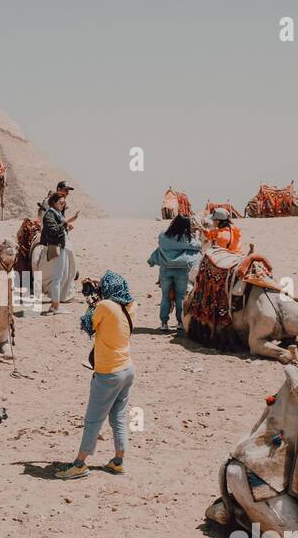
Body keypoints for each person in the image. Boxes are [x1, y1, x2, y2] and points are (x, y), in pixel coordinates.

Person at [57, 272, 136, 480]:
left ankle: (79, 464)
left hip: (108, 373)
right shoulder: (130, 306)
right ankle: (118, 461)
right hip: (127, 369)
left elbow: (87, 325)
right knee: (118, 417)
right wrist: (97, 295)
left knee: (93, 420)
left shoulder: (105, 306)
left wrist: (91, 300)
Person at [148, 216, 203, 332]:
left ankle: (164, 323)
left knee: (165, 297)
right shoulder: (185, 239)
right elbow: (198, 245)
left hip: (165, 270)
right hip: (181, 271)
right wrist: (197, 235)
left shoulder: (163, 236)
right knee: (180, 297)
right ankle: (179, 322)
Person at [40, 191, 78, 313]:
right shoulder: (49, 214)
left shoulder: (57, 213)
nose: (63, 205)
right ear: (54, 202)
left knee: (64, 275)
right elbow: (53, 230)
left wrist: (66, 227)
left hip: (63, 246)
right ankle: (55, 306)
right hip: (58, 248)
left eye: (64, 203)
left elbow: (59, 229)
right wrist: (67, 222)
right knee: (58, 277)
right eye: (61, 203)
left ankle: (54, 305)